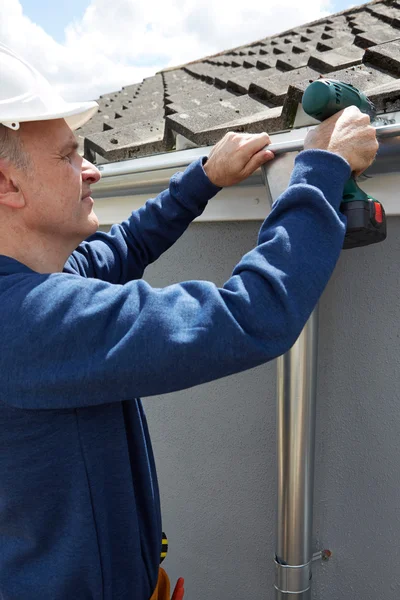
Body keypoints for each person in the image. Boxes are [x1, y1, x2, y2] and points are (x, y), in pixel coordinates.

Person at [0, 44, 378, 600]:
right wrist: (321, 170)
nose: (93, 169)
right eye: (68, 156)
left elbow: (122, 247)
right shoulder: (28, 323)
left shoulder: (33, 285)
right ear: (8, 185)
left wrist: (203, 177)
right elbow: (248, 315)